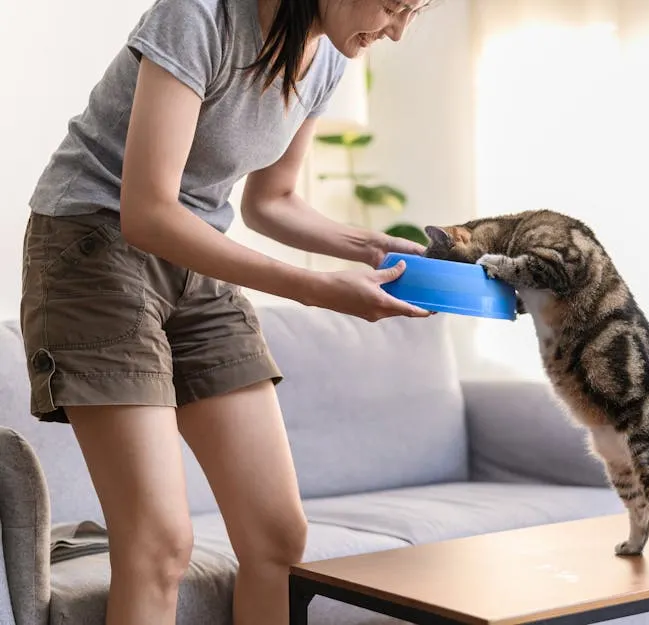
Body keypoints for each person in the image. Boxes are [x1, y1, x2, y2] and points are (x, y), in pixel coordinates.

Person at [20, 0, 432, 623]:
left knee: (277, 539)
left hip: (196, 258)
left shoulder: (328, 55)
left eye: (417, 11)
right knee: (159, 545)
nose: (399, 30)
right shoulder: (199, 14)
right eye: (395, 5)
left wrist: (372, 246)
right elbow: (147, 211)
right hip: (92, 246)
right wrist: (316, 288)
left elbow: (276, 199)